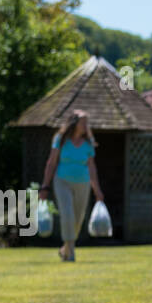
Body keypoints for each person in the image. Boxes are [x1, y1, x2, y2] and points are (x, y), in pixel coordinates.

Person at [39, 110, 104, 262]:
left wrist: (97, 190)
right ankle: (71, 253)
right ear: (74, 123)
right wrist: (44, 186)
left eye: (87, 123)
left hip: (83, 182)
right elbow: (51, 163)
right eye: (83, 122)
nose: (86, 126)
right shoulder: (60, 139)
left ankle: (65, 248)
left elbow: (92, 167)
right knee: (67, 215)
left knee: (78, 219)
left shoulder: (88, 143)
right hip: (62, 181)